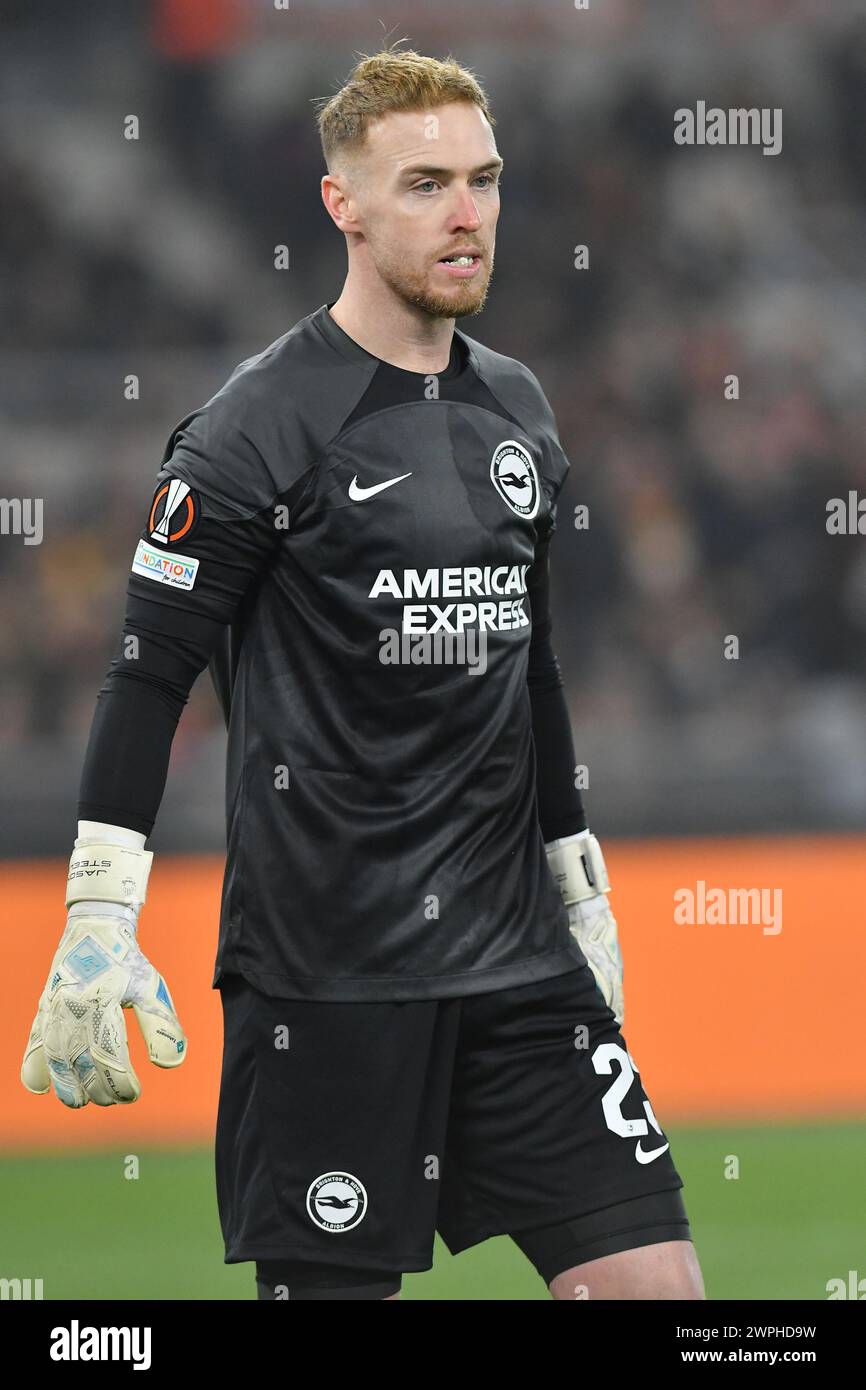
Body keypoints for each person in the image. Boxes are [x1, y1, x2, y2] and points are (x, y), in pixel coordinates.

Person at [21, 46, 704, 1302]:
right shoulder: (249, 430)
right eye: (426, 183)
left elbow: (528, 664)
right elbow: (145, 674)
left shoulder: (518, 410)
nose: (466, 213)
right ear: (342, 206)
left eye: (485, 180)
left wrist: (575, 873)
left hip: (517, 966)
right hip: (325, 983)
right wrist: (99, 912)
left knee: (660, 1286)